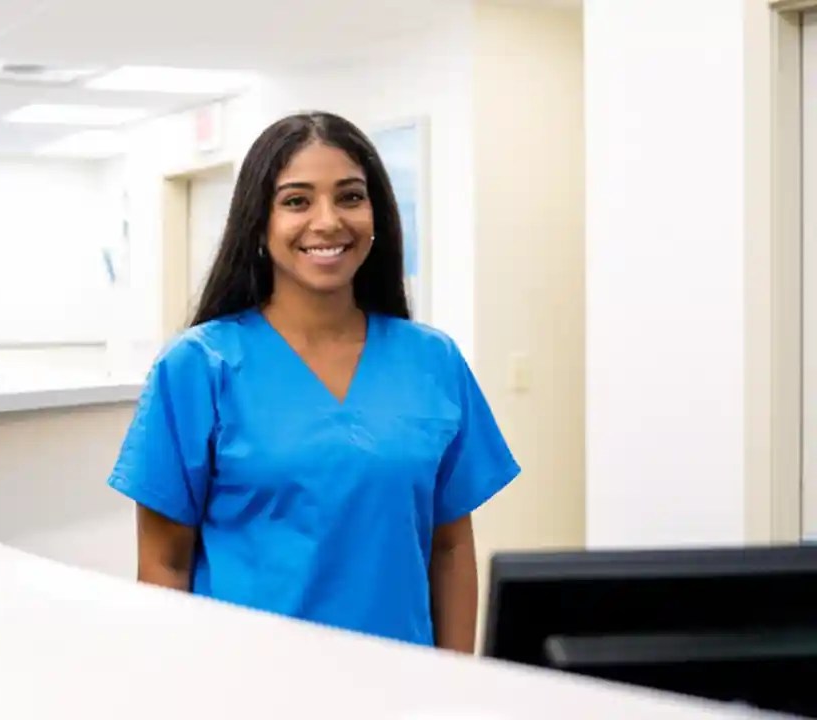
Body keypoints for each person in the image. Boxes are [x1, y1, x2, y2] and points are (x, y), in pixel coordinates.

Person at [106, 111, 520, 652]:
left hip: (402, 681)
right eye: (297, 201)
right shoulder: (198, 366)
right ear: (259, 222)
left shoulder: (431, 360)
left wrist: (457, 681)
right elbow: (165, 561)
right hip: (246, 678)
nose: (327, 221)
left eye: (350, 197)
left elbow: (449, 548)